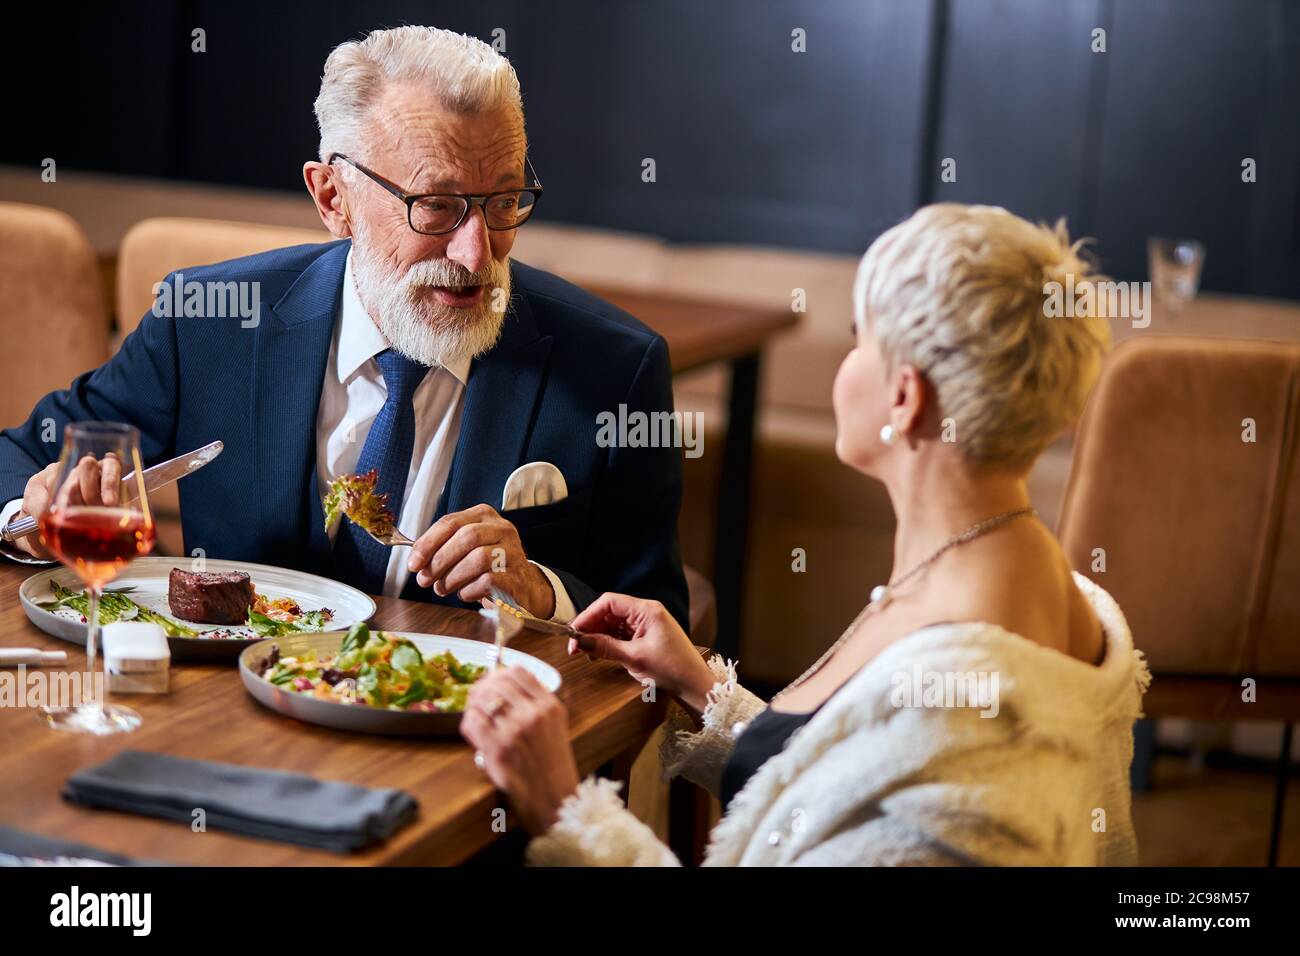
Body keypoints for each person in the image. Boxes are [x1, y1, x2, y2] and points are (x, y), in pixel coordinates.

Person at [460, 203, 1150, 866]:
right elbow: (857, 796)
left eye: (859, 339)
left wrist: (563, 810)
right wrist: (702, 689)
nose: (846, 363)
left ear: (904, 399)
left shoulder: (961, 701)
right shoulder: (1035, 583)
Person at [0, 26, 688, 627]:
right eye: (437, 206)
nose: (478, 253)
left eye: (505, 200)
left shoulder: (611, 371)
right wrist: (34, 515)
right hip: (225, 726)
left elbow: (657, 622)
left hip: (458, 741)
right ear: (333, 198)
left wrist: (541, 595)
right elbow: (20, 460)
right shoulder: (205, 325)